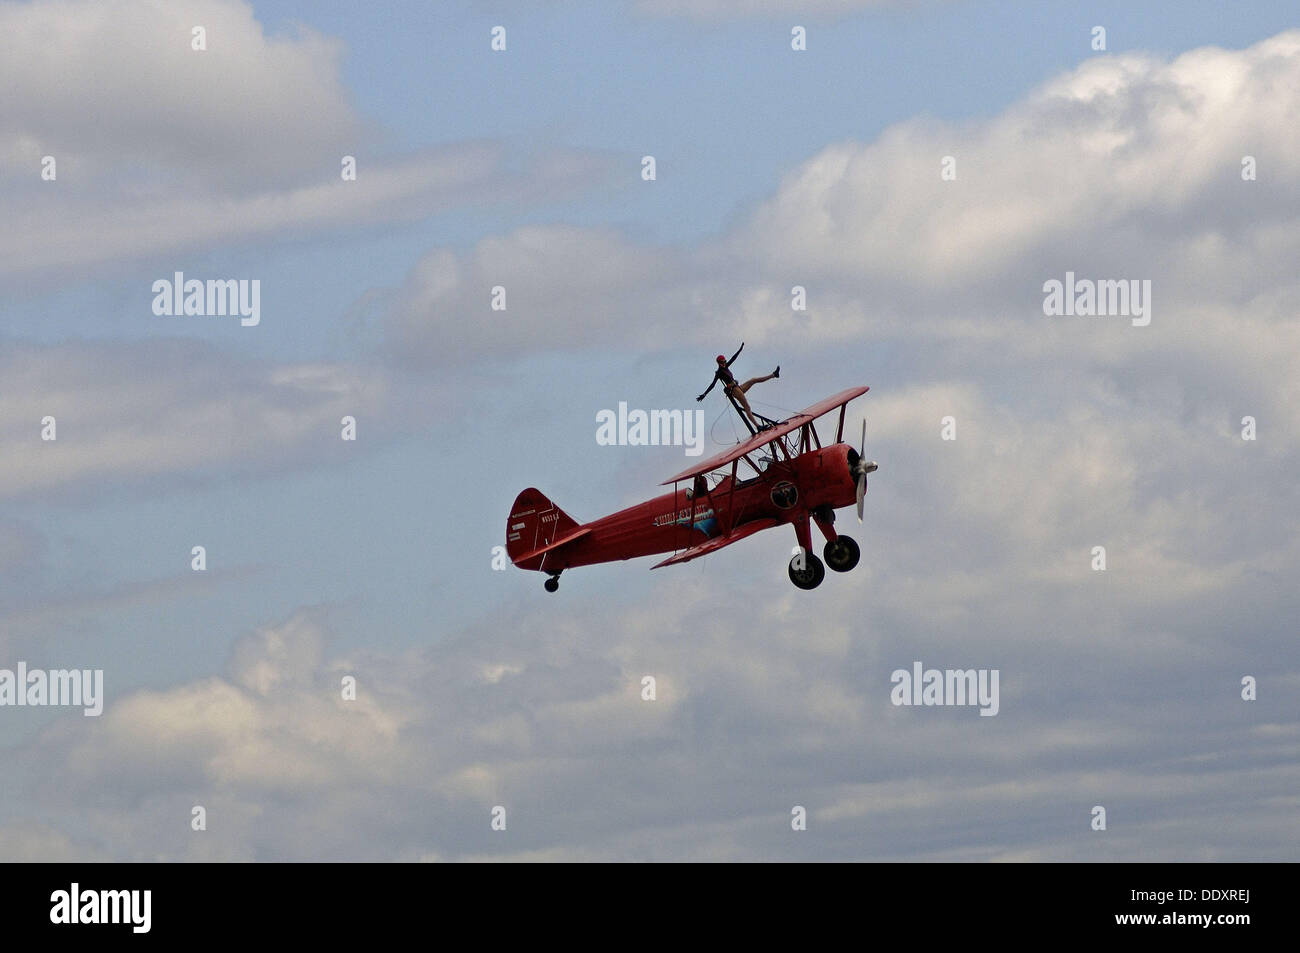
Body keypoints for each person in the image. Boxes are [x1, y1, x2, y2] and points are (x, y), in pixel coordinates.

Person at [697, 342, 779, 431]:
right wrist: (704, 394)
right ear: (718, 363)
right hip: (734, 391)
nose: (724, 363)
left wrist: (740, 349)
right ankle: (758, 426)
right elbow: (712, 385)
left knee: (753, 380)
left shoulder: (726, 366)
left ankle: (774, 375)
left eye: (724, 361)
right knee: (747, 407)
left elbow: (733, 358)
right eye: (722, 362)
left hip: (738, 387)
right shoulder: (719, 373)